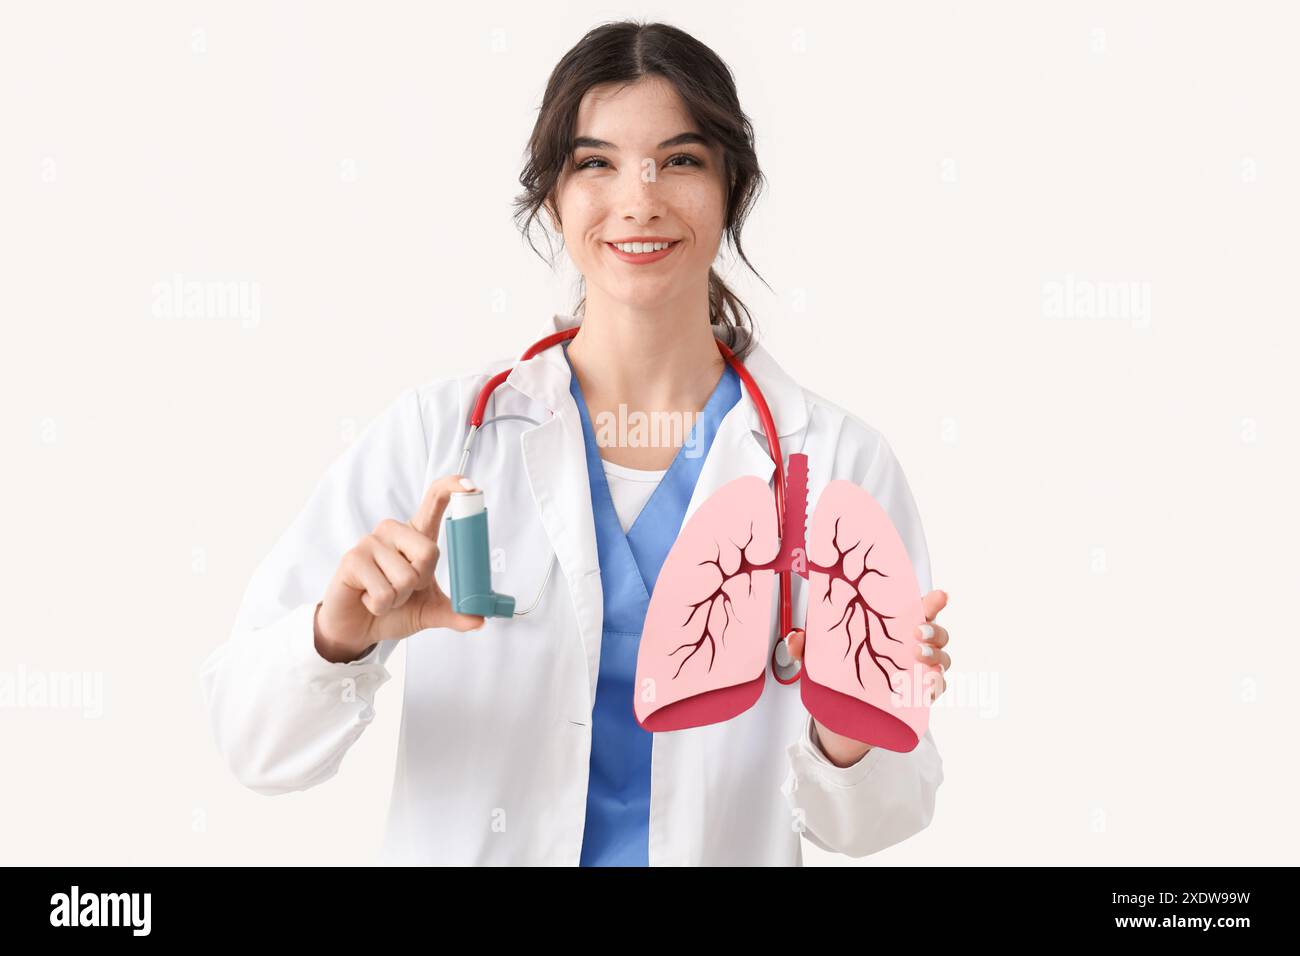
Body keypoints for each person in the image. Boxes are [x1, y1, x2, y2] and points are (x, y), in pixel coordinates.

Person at [200, 19, 953, 866]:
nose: (640, 199)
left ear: (731, 189)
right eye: (596, 162)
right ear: (553, 197)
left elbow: (884, 819)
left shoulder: (839, 466)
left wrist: (848, 723)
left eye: (682, 159)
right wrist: (341, 634)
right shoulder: (443, 437)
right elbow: (251, 745)